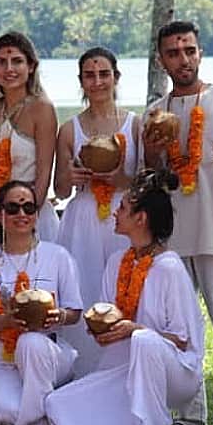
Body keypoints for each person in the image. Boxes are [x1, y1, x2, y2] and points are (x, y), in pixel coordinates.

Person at [46, 169, 205, 425]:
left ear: (141, 219)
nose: (115, 213)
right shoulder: (117, 261)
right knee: (58, 404)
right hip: (125, 369)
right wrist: (102, 331)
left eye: (122, 208)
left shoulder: (169, 267)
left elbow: (182, 341)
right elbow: (109, 318)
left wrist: (135, 329)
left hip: (176, 375)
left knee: (144, 340)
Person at [141, 20, 213, 425]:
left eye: (189, 50)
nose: (183, 59)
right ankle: (189, 413)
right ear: (161, 59)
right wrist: (153, 143)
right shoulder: (157, 109)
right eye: (173, 52)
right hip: (175, 230)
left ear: (200, 52)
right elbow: (152, 172)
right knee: (180, 326)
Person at [0, 181, 83, 425]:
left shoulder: (57, 256)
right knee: (2, 409)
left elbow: (75, 312)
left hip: (49, 355)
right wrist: (5, 321)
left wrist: (59, 316)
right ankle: (50, 414)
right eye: (13, 207)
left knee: (30, 342)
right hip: (3, 362)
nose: (22, 215)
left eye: (29, 208)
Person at [54, 47, 142, 377]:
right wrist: (71, 177)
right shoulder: (69, 129)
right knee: (86, 291)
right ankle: (82, 374)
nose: (98, 81)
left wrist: (119, 179)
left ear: (116, 78)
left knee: (121, 295)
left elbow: (144, 179)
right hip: (84, 218)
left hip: (123, 217)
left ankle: (123, 373)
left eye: (104, 74)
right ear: (81, 81)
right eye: (90, 75)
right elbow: (60, 189)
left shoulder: (134, 125)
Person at [0, 31, 60, 241]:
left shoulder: (41, 108)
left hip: (29, 213)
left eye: (17, 61)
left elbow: (45, 171)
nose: (9, 69)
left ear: (31, 66)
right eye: (1, 62)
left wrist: (27, 213)